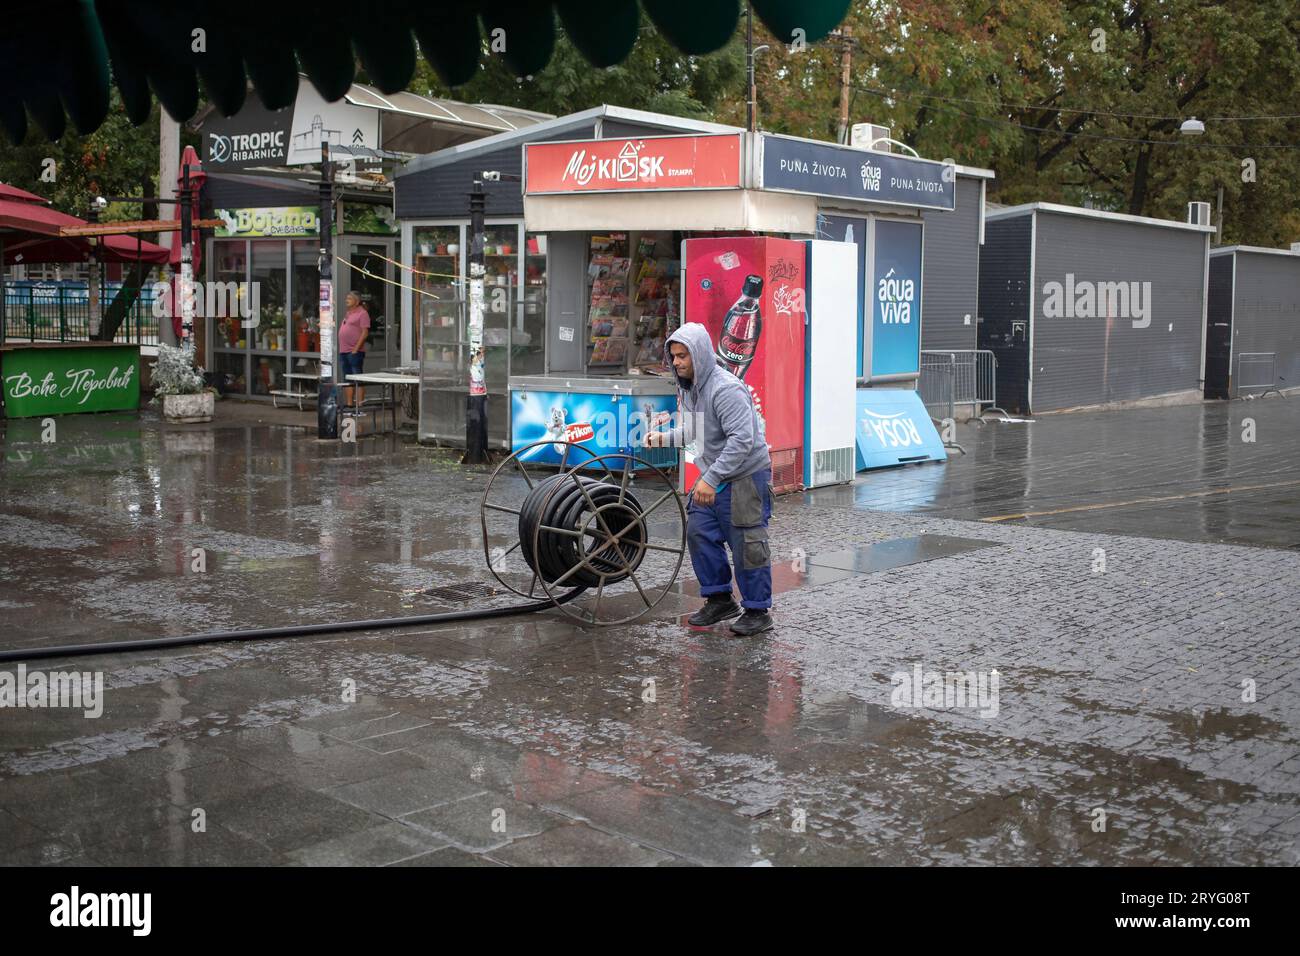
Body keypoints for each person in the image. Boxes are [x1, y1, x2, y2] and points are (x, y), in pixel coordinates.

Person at [647, 322, 774, 636]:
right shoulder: (689, 388)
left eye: (682, 356)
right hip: (713, 477)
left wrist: (710, 477)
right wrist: (663, 438)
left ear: (700, 355)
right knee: (700, 533)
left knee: (747, 544)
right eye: (673, 356)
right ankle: (720, 599)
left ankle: (758, 611)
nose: (676, 362)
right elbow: (694, 432)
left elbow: (742, 441)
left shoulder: (725, 389)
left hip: (745, 477)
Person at [338, 291, 370, 404]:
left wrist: (356, 349)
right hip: (344, 351)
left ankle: (360, 406)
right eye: (347, 298)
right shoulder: (349, 313)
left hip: (354, 352)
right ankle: (350, 405)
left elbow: (365, 333)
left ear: (357, 301)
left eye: (350, 298)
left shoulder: (362, 313)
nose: (347, 300)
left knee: (358, 379)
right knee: (347, 379)